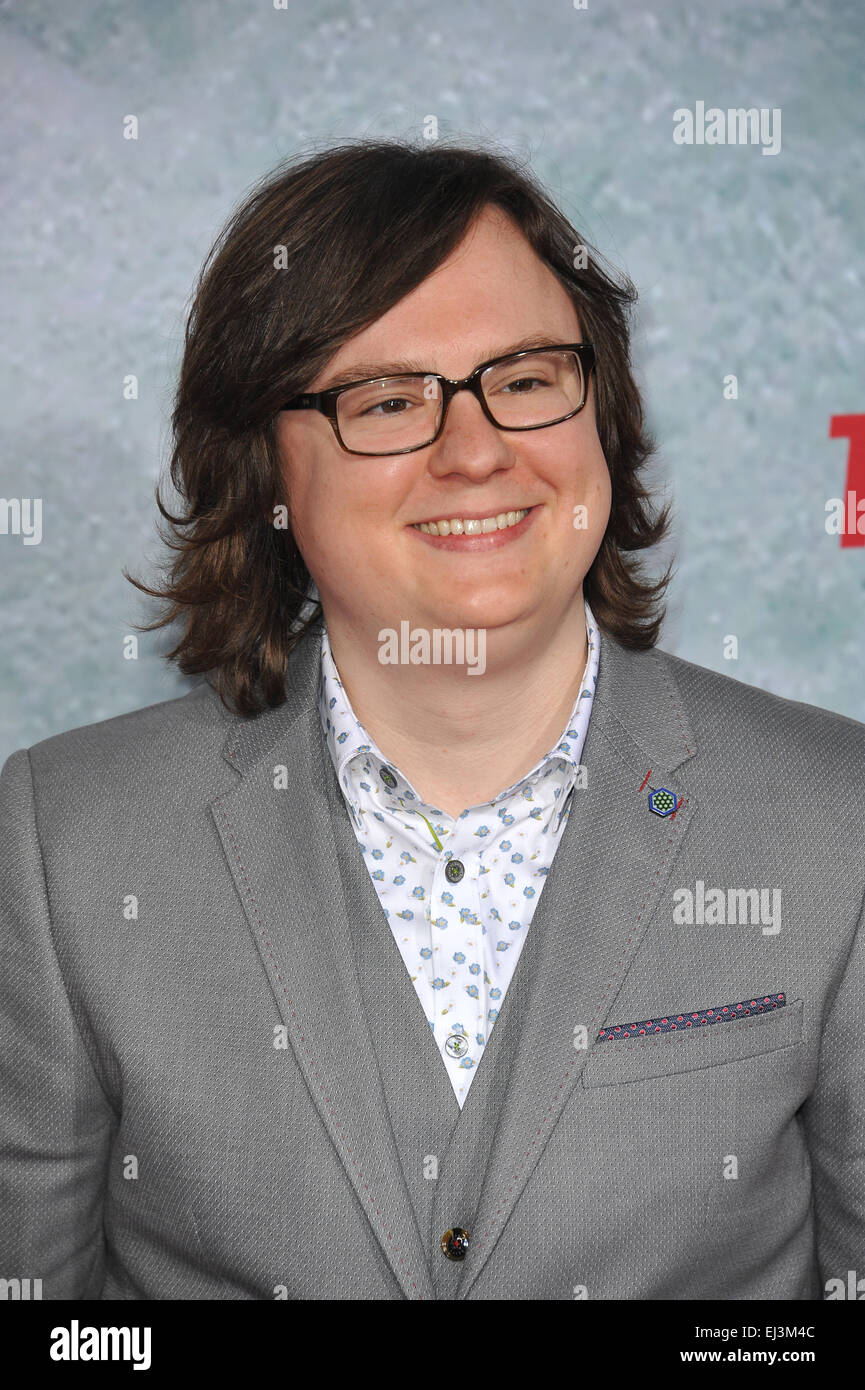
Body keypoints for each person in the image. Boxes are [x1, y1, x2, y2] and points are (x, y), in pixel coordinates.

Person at [1, 140, 863, 1302]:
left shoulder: (836, 820)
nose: (474, 451)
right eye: (387, 400)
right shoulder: (64, 843)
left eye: (523, 377)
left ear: (598, 409)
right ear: (263, 470)